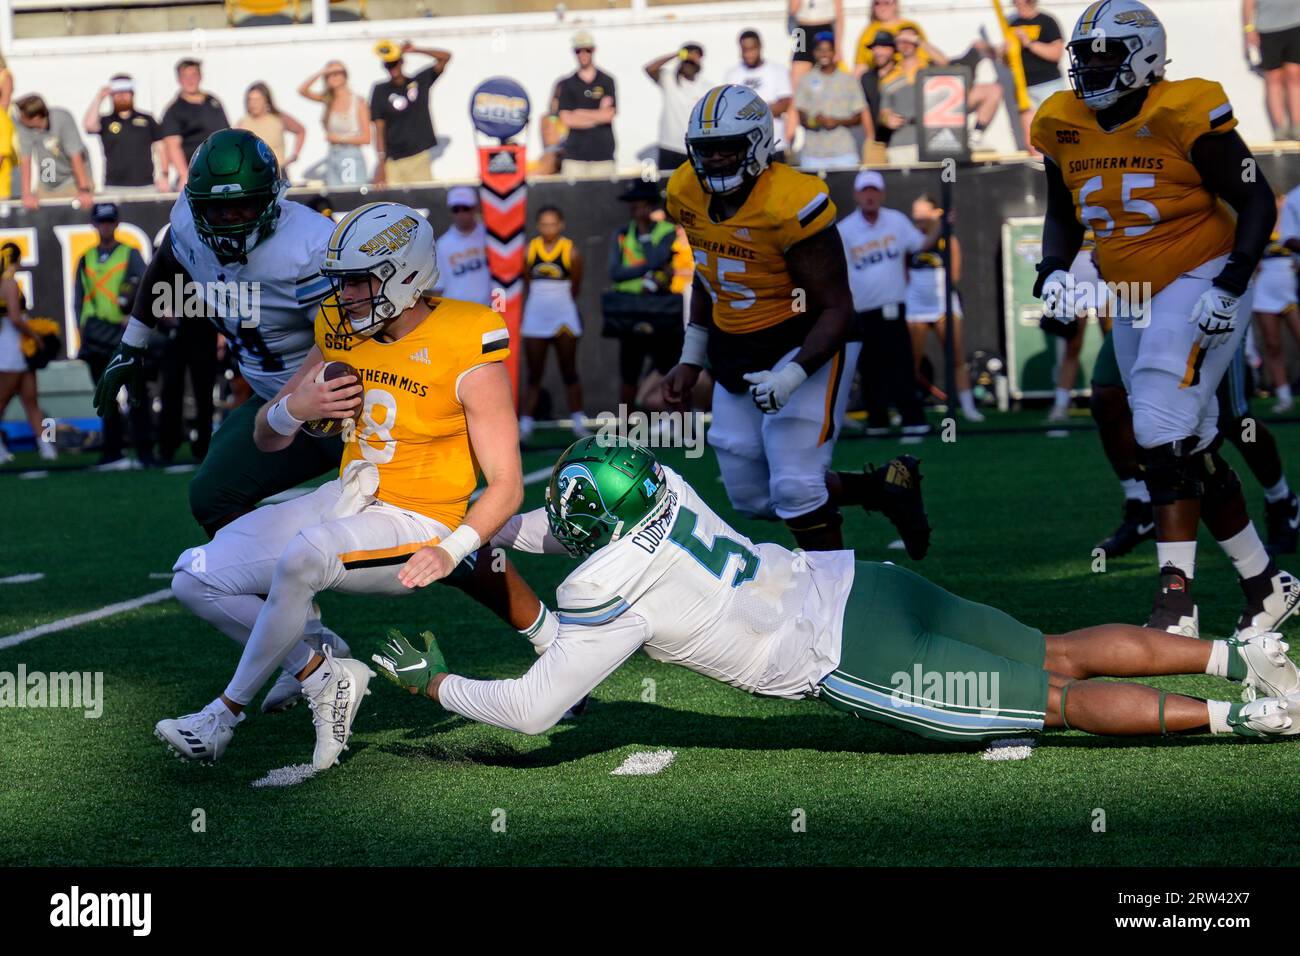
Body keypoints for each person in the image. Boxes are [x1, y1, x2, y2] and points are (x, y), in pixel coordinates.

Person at [374, 439, 1300, 747]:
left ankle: (1240, 721)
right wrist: (472, 528)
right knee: (1052, 645)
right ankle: (1239, 654)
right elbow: (567, 526)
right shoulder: (663, 482)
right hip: (865, 582)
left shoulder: (612, 585)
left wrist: (436, 687)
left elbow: (537, 708)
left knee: (1050, 703)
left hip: (852, 655)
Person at [94, 131, 554, 709]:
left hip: (358, 393)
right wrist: (134, 342)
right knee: (214, 495)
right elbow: (171, 256)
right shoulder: (188, 222)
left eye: (242, 206)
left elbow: (367, 322)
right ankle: (308, 641)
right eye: (216, 207)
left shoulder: (313, 246)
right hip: (285, 396)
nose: (229, 220)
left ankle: (543, 632)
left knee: (441, 527)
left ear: (272, 199)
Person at [154, 202, 527, 769]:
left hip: (420, 518)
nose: (344, 296)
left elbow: (507, 487)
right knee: (193, 577)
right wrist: (293, 410)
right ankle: (323, 673)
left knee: (305, 554)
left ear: (404, 274)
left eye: (357, 281)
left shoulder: (467, 336)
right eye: (341, 281)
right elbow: (265, 436)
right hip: (351, 495)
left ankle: (222, 715)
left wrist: (450, 549)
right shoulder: (338, 325)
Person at [1032, 0, 1296, 638]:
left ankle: (1176, 598)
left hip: (1201, 272)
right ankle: (1266, 585)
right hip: (1128, 285)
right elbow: (1063, 209)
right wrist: (1051, 269)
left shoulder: (1182, 110)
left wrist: (1232, 284)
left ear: (1145, 58)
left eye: (1108, 55)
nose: (1092, 69)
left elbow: (1256, 198)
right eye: (1085, 56)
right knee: (1190, 439)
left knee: (1157, 422)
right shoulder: (1061, 121)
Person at [662, 86, 931, 555]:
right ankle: (886, 488)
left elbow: (837, 307)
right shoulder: (684, 189)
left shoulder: (790, 201)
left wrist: (792, 374)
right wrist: (691, 356)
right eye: (707, 150)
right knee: (751, 496)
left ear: (759, 143)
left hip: (804, 337)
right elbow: (707, 274)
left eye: (729, 147)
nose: (718, 160)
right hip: (735, 343)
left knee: (796, 486)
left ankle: (830, 604)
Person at [837, 170, 938, 438]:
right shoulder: (845, 230)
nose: (869, 196)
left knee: (902, 366)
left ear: (881, 194)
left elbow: (920, 246)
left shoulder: (896, 221)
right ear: (857, 194)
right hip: (862, 310)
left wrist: (940, 225)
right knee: (870, 369)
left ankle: (912, 419)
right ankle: (877, 420)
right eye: (865, 191)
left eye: (874, 190)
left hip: (893, 307)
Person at [74, 202, 152, 469]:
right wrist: (82, 333)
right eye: (101, 222)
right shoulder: (86, 258)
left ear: (116, 224)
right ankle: (113, 453)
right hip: (97, 334)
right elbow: (79, 300)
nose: (105, 226)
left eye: (109, 222)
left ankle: (144, 453)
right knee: (105, 396)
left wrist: (133, 316)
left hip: (124, 334)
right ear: (94, 225)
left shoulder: (130, 254)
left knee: (136, 393)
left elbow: (145, 287)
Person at [905, 193, 983, 422]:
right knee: (912, 360)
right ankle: (910, 410)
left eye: (922, 211)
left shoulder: (948, 239)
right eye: (915, 212)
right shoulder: (909, 238)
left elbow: (955, 274)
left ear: (935, 213)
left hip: (942, 304)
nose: (917, 216)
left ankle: (968, 407)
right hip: (916, 305)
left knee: (956, 356)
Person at [606, 180, 680, 410]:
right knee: (629, 371)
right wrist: (649, 268)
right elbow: (616, 272)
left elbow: (660, 258)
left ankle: (678, 424)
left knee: (670, 367)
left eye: (639, 203)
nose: (634, 209)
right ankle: (624, 428)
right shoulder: (621, 234)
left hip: (661, 307)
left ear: (650, 204)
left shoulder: (667, 231)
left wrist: (646, 235)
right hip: (631, 308)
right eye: (632, 204)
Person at [520, 205, 587, 443]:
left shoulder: (571, 252)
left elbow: (576, 286)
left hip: (563, 315)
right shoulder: (529, 250)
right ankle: (525, 425)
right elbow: (527, 281)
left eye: (553, 223)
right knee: (534, 374)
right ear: (538, 226)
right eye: (544, 224)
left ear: (561, 225)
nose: (549, 228)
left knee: (569, 370)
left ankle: (578, 422)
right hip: (536, 315)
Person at [368, 39, 450, 187]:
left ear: (402, 62)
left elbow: (445, 57)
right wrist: (381, 164)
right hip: (393, 161)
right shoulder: (380, 90)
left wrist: (416, 50)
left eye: (395, 63)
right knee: (394, 205)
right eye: (388, 65)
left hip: (418, 157)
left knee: (421, 203)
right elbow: (378, 129)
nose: (392, 68)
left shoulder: (419, 82)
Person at [0, 242, 54, 462]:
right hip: (11, 351)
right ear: (18, 260)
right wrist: (35, 336)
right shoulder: (9, 283)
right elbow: (14, 318)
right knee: (1, 401)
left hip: (17, 350)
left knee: (31, 401)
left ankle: (47, 448)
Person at [794, 33, 872, 171]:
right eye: (820, 50)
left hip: (843, 152)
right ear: (814, 52)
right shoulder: (806, 80)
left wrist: (837, 122)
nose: (824, 54)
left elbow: (858, 116)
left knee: (845, 191)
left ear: (834, 52)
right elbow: (801, 115)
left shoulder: (849, 80)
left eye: (828, 50)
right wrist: (814, 121)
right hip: (813, 154)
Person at [83, 75, 168, 194]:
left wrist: (164, 175)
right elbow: (89, 125)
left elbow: (161, 148)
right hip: (114, 187)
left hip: (145, 186)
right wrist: (99, 98)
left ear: (132, 94)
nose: (122, 96)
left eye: (126, 93)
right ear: (111, 96)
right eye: (117, 93)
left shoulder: (147, 120)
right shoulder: (105, 121)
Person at [297, 60, 371, 188]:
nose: (333, 77)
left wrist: (340, 138)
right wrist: (321, 72)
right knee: (334, 197)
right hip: (333, 154)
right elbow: (302, 90)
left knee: (350, 196)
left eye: (337, 73)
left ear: (345, 76)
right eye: (329, 74)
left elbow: (366, 138)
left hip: (351, 155)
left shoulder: (358, 102)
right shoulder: (328, 100)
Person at [1257, 190, 1300, 410]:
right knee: (1273, 344)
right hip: (1264, 288)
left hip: (1289, 288)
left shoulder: (1293, 225)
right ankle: (1284, 397)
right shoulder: (1259, 225)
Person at [722, 30, 793, 162]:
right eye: (745, 50)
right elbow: (729, 109)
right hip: (744, 146)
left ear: (760, 47)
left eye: (752, 49)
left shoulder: (778, 71)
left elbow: (784, 104)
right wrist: (766, 108)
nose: (749, 54)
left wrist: (748, 112)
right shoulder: (732, 74)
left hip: (774, 144)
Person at [14, 94, 94, 209]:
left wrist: (84, 189)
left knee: (72, 220)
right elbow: (25, 159)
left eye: (22, 116)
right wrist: (27, 194)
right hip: (48, 182)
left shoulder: (62, 119)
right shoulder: (24, 125)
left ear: (36, 118)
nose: (19, 119)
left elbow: (75, 155)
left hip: (73, 180)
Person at [555, 31, 617, 178]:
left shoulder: (607, 81)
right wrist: (597, 115)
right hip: (575, 157)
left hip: (603, 155)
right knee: (572, 200)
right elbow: (566, 119)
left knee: (604, 198)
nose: (583, 54)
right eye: (578, 50)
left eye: (587, 50)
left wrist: (578, 113)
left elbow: (609, 115)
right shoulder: (566, 83)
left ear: (593, 50)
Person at [160, 59, 230, 186]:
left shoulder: (213, 102)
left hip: (222, 173)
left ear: (200, 77)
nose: (190, 80)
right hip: (195, 177)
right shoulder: (174, 110)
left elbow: (227, 135)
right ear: (179, 80)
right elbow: (172, 145)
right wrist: (184, 175)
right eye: (185, 76)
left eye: (193, 75)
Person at [788, 0, 845, 145]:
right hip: (803, 29)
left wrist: (838, 47)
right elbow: (793, 10)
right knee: (795, 88)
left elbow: (839, 13)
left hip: (824, 26)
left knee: (830, 81)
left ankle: (832, 132)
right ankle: (790, 140)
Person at [644, 43, 707, 172]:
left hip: (694, 149)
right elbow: (649, 68)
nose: (690, 64)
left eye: (694, 60)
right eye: (687, 61)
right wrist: (677, 54)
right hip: (669, 147)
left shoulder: (706, 88)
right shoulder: (669, 79)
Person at [1245, 0, 1300, 140]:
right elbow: (1248, 2)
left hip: (1296, 25)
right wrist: (1248, 28)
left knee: (1294, 74)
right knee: (1273, 77)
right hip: (1268, 29)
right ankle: (1279, 129)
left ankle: (1297, 126)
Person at [432, 186, 492, 307]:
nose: (461, 213)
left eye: (466, 208)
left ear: (475, 208)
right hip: (459, 313)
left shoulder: (490, 236)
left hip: (490, 310)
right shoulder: (443, 244)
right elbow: (438, 286)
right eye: (456, 209)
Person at [235, 82, 305, 180]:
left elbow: (301, 130)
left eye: (257, 99)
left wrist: (295, 155)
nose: (253, 103)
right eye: (250, 99)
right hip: (253, 176)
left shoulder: (278, 118)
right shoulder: (243, 122)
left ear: (266, 100)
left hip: (277, 174)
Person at [853, 0, 929, 72]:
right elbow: (861, 65)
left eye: (887, 2)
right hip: (881, 81)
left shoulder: (910, 27)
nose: (882, 7)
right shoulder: (868, 32)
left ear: (896, 4)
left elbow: (925, 58)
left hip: (911, 77)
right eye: (877, 3)